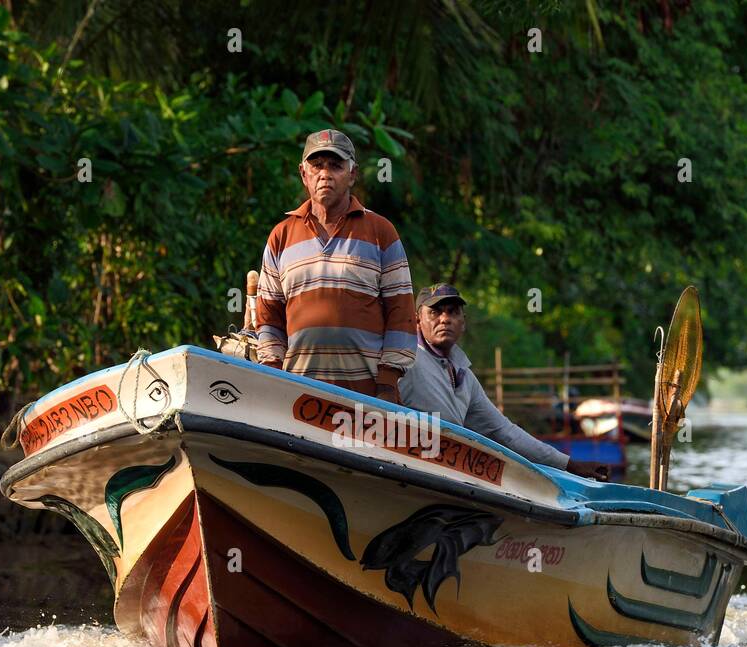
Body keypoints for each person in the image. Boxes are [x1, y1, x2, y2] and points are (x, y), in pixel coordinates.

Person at [254, 129, 415, 402]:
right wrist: (272, 373)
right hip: (297, 393)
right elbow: (269, 316)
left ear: (352, 174)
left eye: (336, 165)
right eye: (317, 166)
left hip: (367, 393)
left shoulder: (381, 231)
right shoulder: (281, 236)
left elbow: (401, 311)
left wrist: (388, 380)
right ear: (304, 175)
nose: (325, 174)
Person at [400, 284, 611, 480]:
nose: (445, 319)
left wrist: (569, 465)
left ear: (463, 322)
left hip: (446, 473)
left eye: (453, 312)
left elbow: (503, 432)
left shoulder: (464, 376)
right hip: (410, 469)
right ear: (417, 319)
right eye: (435, 312)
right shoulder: (407, 358)